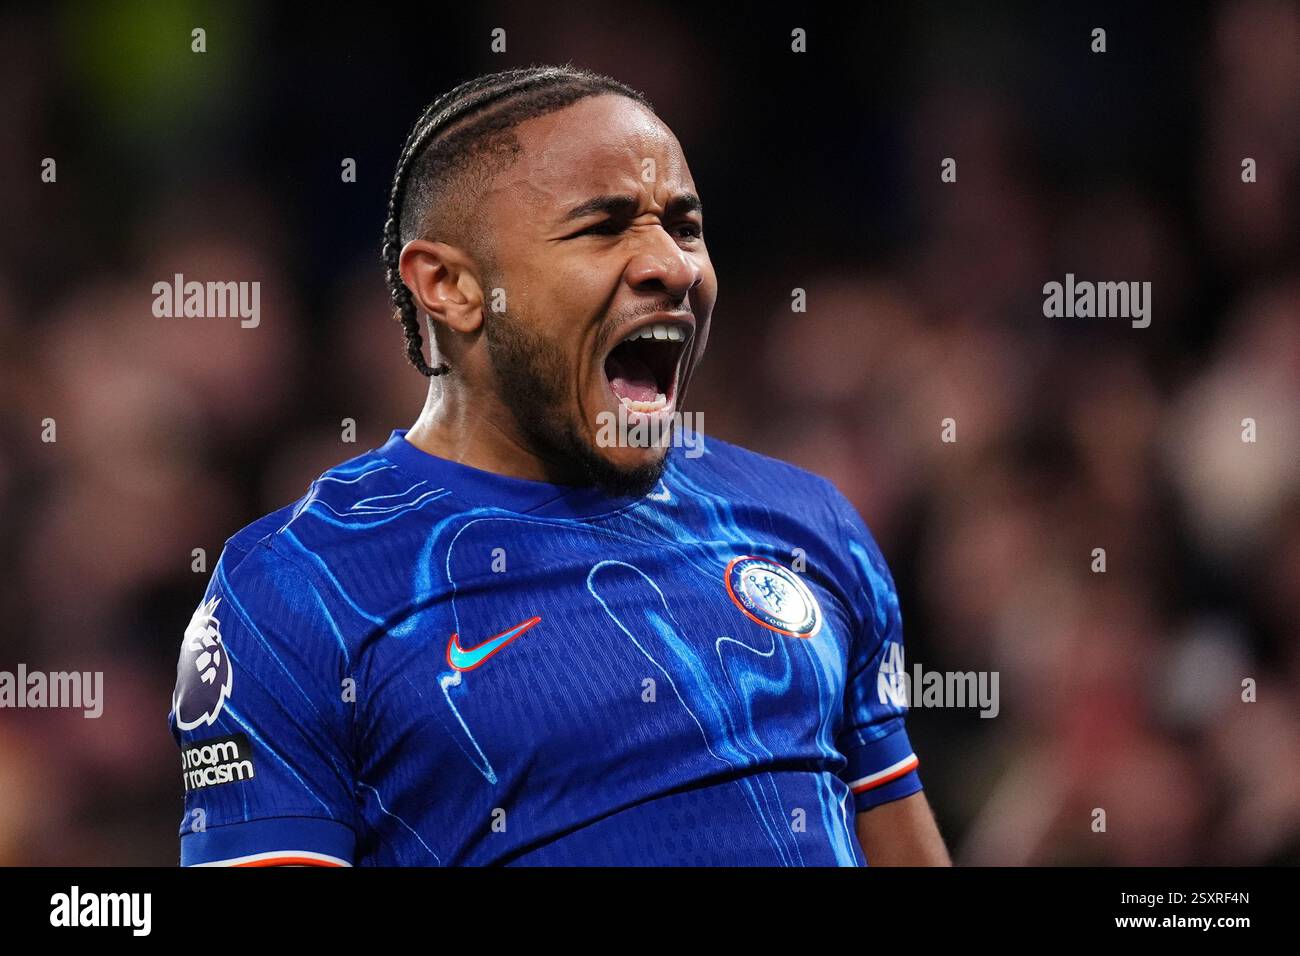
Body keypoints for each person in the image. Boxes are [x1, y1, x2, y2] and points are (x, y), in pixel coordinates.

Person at [168, 64, 950, 866]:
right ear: (450, 285)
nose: (673, 267)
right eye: (604, 227)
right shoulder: (295, 591)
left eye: (684, 226)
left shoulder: (805, 523)